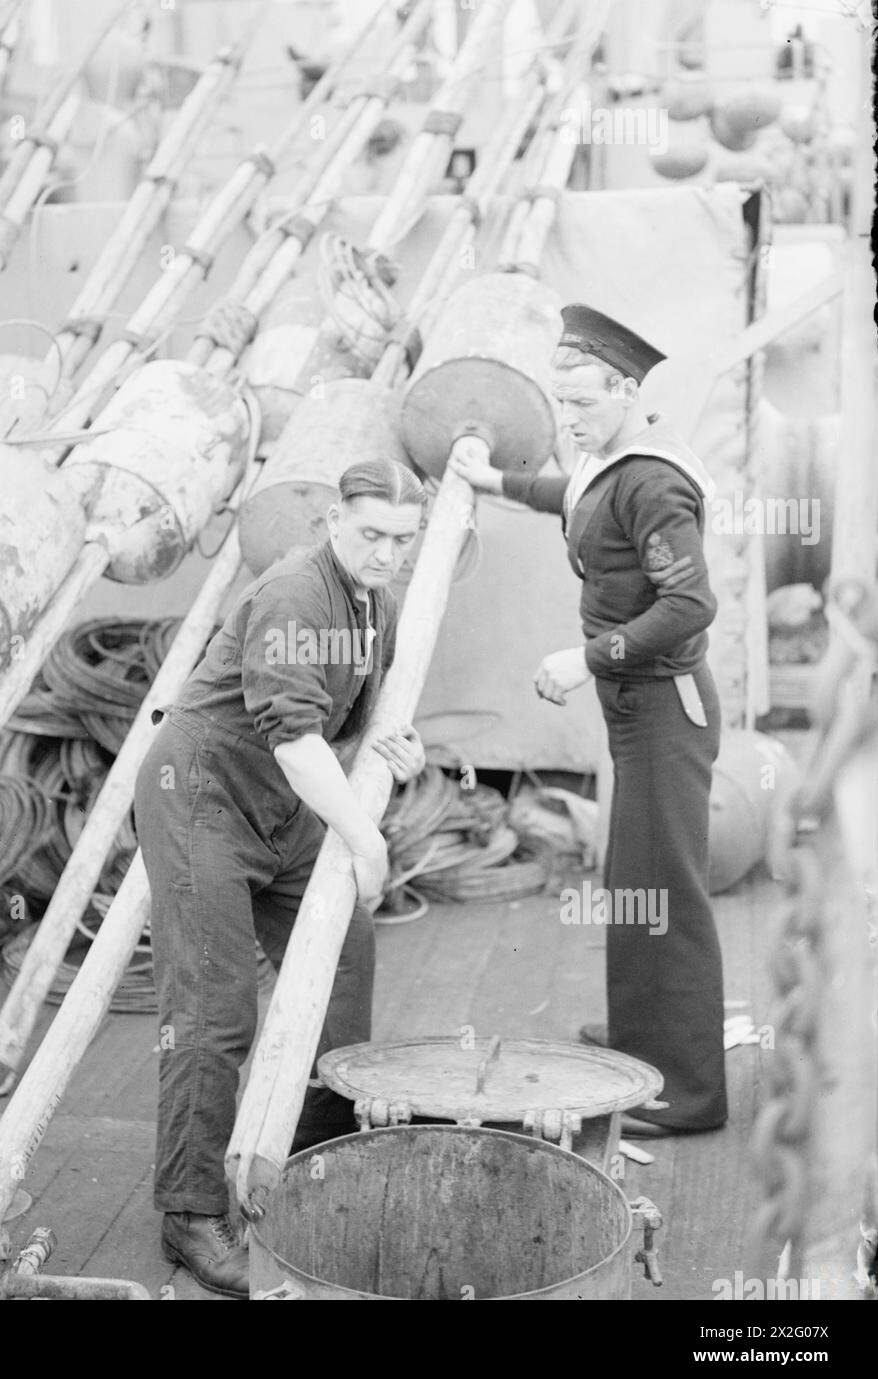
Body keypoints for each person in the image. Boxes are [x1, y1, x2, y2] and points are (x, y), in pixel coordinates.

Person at [135, 458, 429, 1297]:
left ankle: (317, 1145)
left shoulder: (380, 603)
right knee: (213, 1006)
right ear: (335, 518)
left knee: (345, 947)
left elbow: (348, 727)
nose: (385, 553)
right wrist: (366, 838)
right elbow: (297, 737)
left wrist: (397, 747)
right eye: (370, 534)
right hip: (201, 793)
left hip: (275, 796)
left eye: (402, 541)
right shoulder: (297, 592)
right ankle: (190, 1214)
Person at [451, 303, 727, 1141]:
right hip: (635, 711)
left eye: (582, 405)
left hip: (662, 711)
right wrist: (483, 476)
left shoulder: (651, 480)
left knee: (663, 896)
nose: (567, 422)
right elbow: (564, 496)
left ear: (628, 392)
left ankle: (684, 1095)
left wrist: (586, 658)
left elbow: (689, 602)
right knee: (632, 884)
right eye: (559, 404)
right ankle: (645, 1041)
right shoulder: (607, 464)